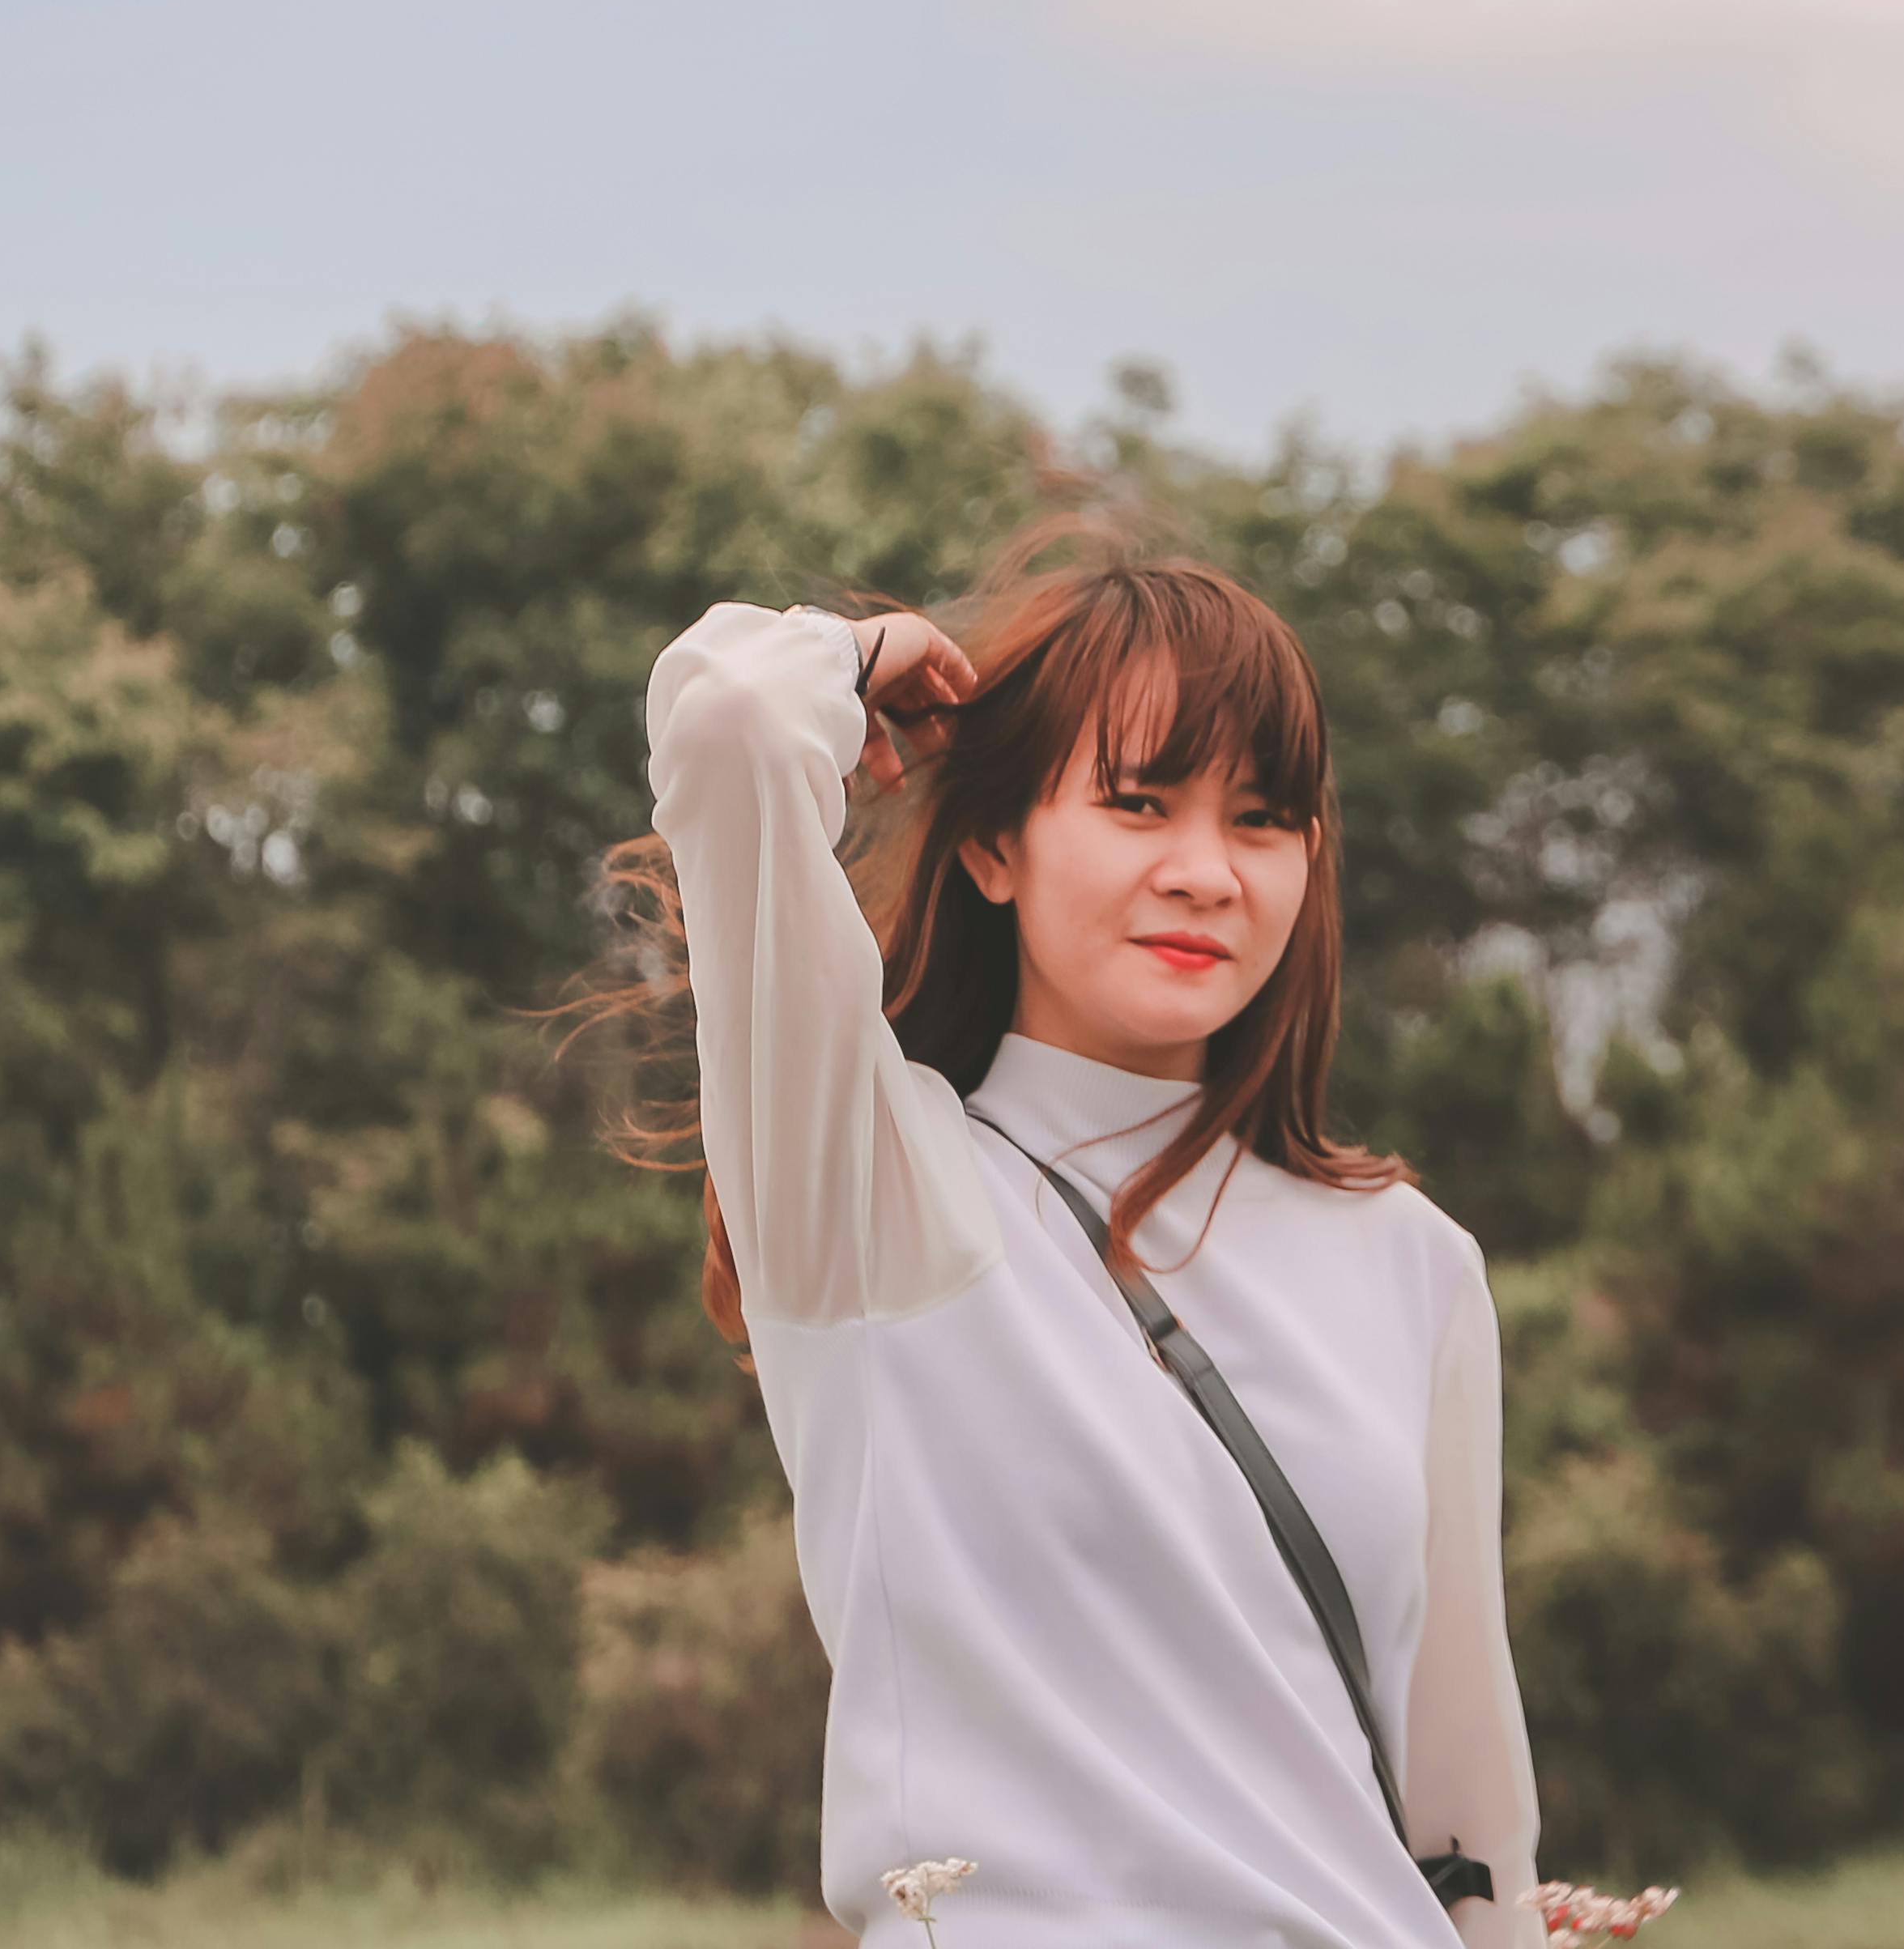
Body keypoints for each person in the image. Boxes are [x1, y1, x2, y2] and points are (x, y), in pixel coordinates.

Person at [590, 521, 1541, 1946]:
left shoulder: (1409, 1259)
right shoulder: (881, 1188)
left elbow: (1466, 1819)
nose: (1208, 872)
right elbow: (729, 722)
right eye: (1141, 804)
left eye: (1261, 818)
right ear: (991, 844)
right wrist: (854, 661)